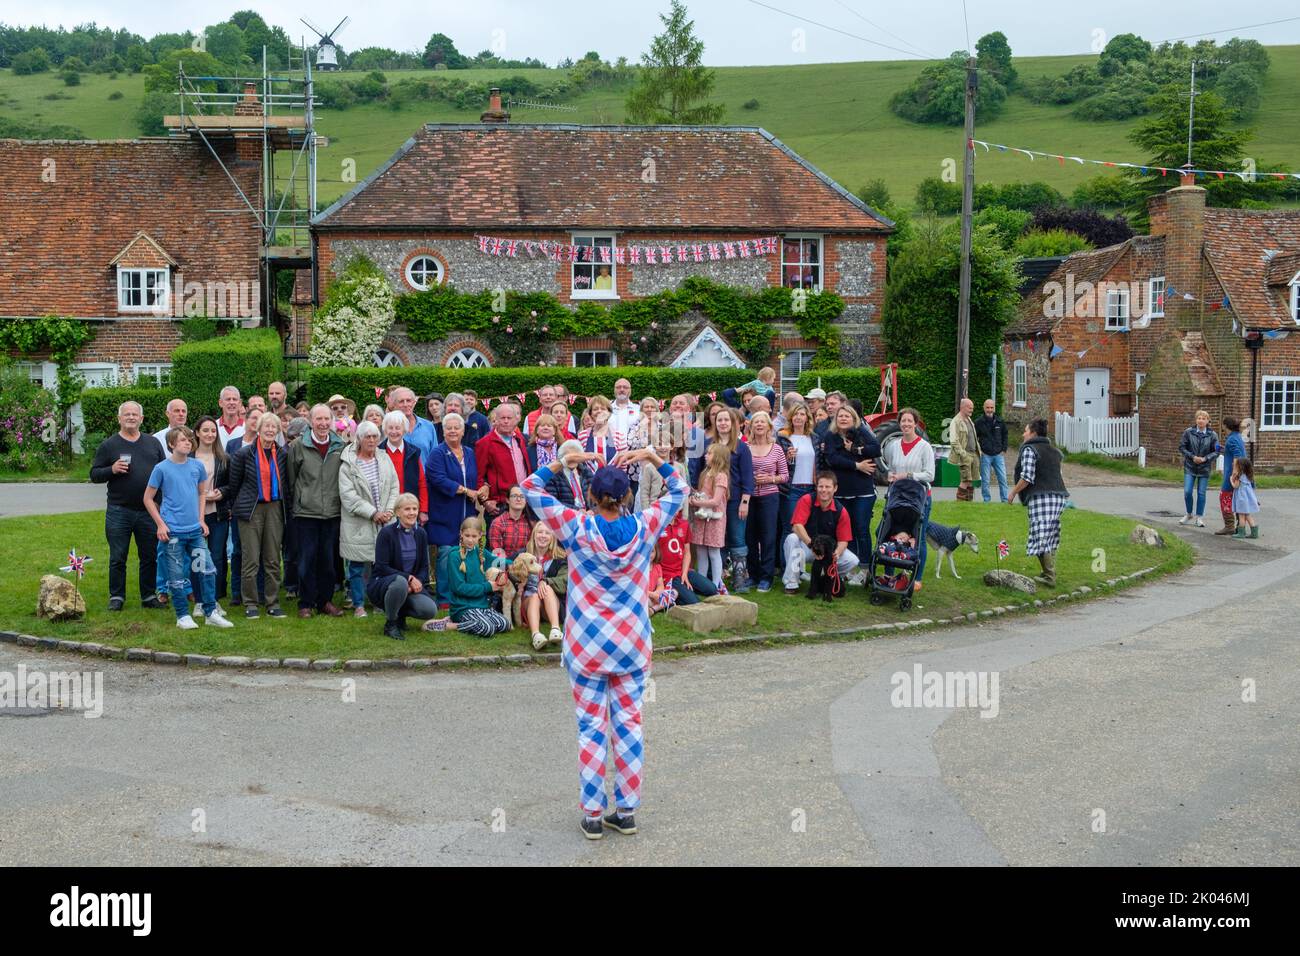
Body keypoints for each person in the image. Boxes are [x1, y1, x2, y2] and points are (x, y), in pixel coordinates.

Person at [523, 445, 686, 840]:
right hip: (631, 643)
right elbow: (680, 490)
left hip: (587, 647)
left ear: (592, 497)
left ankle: (593, 814)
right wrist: (650, 457)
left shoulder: (576, 527)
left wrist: (565, 462)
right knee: (629, 724)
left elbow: (530, 488)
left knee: (591, 728)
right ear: (627, 496)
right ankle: (626, 811)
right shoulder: (646, 524)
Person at [142, 426, 233, 630]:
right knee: (176, 578)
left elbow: (202, 494)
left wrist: (201, 519)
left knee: (207, 570)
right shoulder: (161, 469)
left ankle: (210, 612)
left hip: (194, 532)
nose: (188, 443)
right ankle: (182, 615)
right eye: (183, 440)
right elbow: (148, 498)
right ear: (172, 444)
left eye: (189, 440)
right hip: (173, 533)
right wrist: (160, 524)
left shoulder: (196, 467)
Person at [90, 401, 167, 611]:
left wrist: (159, 503)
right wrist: (112, 469)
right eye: (127, 415)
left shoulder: (152, 443)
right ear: (119, 419)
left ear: (141, 419)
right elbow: (94, 474)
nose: (131, 417)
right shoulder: (109, 445)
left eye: (135, 414)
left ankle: (149, 596)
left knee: (149, 555)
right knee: (118, 556)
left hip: (148, 511)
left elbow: (163, 474)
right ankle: (117, 596)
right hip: (119, 510)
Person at [221, 413, 290, 618]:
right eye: (266, 426)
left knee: (272, 559)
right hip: (251, 509)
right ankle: (250, 603)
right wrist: (237, 506)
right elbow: (234, 485)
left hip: (275, 508)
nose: (270, 430)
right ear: (258, 429)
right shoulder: (244, 454)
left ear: (278, 431)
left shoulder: (282, 455)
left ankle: (272, 602)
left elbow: (286, 484)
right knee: (250, 559)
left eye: (274, 427)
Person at [286, 404, 345, 618]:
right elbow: (292, 480)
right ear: (310, 421)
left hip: (331, 512)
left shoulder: (340, 445)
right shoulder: (298, 446)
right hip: (306, 513)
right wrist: (301, 500)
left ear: (331, 421)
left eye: (326, 419)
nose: (322, 423)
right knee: (306, 560)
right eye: (318, 419)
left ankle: (325, 601)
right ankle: (306, 602)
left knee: (328, 561)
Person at [369, 493, 451, 639]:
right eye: (407, 509)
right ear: (398, 512)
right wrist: (409, 578)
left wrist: (417, 581)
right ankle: (391, 624)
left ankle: (400, 615)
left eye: (415, 508)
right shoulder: (386, 533)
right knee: (400, 582)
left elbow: (425, 567)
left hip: (410, 586)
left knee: (430, 610)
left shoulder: (421, 533)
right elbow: (381, 567)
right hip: (384, 584)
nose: (412, 512)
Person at [339, 420, 399, 618]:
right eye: (367, 437)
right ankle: (358, 605)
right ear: (359, 439)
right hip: (359, 522)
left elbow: (394, 486)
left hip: (384, 522)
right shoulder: (348, 463)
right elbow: (348, 497)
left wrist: (389, 510)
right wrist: (373, 513)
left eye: (375, 436)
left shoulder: (383, 458)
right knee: (356, 567)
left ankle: (378, 601)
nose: (372, 440)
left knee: (380, 566)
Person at [424, 413, 484, 607]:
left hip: (467, 513)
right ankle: (444, 598)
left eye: (456, 428)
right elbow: (438, 479)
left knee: (467, 553)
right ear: (443, 431)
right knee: (446, 554)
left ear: (463, 430)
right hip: (444, 513)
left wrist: (483, 488)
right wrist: (466, 491)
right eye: (448, 428)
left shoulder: (469, 452)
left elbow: (478, 477)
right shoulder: (437, 453)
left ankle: (465, 593)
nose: (452, 431)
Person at [820, 404, 880, 583]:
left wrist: (855, 450)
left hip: (863, 491)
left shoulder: (862, 432)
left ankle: (865, 568)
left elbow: (876, 449)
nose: (843, 419)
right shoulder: (830, 436)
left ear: (854, 418)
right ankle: (849, 567)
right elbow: (832, 459)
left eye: (847, 416)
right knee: (846, 532)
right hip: (841, 492)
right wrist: (857, 465)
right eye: (840, 416)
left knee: (861, 529)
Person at [1008, 418, 1070, 587]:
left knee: (1040, 535)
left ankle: (1050, 576)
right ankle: (1047, 572)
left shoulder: (1030, 449)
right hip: (1058, 497)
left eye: (1026, 431)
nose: (1023, 434)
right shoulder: (1055, 451)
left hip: (1042, 496)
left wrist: (1013, 492)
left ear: (1033, 433)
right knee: (1047, 534)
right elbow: (1059, 475)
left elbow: (1027, 477)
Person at [880, 408, 934, 587]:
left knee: (918, 536)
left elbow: (930, 475)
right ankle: (889, 573)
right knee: (888, 532)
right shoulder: (893, 445)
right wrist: (891, 475)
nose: (906, 424)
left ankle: (917, 578)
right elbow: (890, 467)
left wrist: (908, 475)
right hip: (897, 497)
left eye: (910, 421)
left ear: (915, 423)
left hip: (919, 498)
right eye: (903, 421)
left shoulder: (924, 447)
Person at [782, 471, 860, 593]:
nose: (824, 490)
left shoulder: (841, 511)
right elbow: (797, 526)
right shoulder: (807, 500)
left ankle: (826, 577)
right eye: (821, 486)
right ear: (816, 487)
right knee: (792, 538)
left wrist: (837, 554)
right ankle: (792, 582)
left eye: (828, 487)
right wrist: (811, 545)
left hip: (828, 551)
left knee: (853, 560)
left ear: (835, 488)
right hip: (807, 546)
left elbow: (844, 541)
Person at [441, 516, 511, 637]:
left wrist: (517, 563)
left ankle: (470, 622)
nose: (470, 540)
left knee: (505, 624)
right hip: (463, 608)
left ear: (480, 536)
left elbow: (498, 561)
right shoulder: (454, 556)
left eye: (474, 536)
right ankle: (452, 625)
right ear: (461, 534)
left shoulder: (481, 552)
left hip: (482, 606)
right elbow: (459, 588)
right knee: (487, 628)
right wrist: (487, 587)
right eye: (467, 535)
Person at [744, 411, 789, 592]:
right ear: (752, 426)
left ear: (769, 426)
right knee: (750, 537)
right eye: (756, 422)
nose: (759, 425)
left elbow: (785, 476)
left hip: (770, 496)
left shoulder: (777, 448)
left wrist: (770, 479)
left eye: (763, 422)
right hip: (749, 497)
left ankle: (766, 576)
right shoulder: (745, 448)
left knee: (768, 536)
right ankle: (753, 574)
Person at [192, 415, 232, 606]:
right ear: (197, 433)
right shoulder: (188, 458)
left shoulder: (224, 458)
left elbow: (231, 486)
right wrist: (200, 496)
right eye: (205, 430)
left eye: (213, 430)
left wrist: (221, 493)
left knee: (217, 555)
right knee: (197, 556)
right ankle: (199, 599)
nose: (210, 434)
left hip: (218, 513)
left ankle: (214, 598)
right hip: (194, 514)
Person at [714, 406, 754, 593]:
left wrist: (745, 501)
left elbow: (748, 477)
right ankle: (716, 578)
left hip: (735, 499)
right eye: (719, 420)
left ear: (733, 424)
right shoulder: (709, 443)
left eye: (726, 420)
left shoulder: (741, 447)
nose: (722, 423)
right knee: (717, 538)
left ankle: (739, 579)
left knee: (737, 537)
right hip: (714, 500)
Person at [477, 402, 530, 524]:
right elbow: (478, 475)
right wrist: (485, 501)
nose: (506, 421)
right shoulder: (485, 443)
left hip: (522, 500)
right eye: (502, 418)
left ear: (516, 420)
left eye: (509, 418)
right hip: (499, 505)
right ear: (496, 420)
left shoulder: (520, 439)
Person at [779, 402, 817, 563]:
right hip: (791, 488)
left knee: (804, 529)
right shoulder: (783, 438)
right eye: (795, 414)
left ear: (807, 418)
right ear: (790, 417)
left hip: (810, 488)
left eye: (802, 414)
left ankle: (799, 568)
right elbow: (778, 463)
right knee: (790, 529)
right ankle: (786, 567)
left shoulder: (814, 438)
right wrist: (787, 458)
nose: (798, 417)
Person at [690, 443, 731, 593]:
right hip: (702, 517)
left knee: (714, 552)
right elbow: (704, 494)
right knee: (700, 550)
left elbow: (715, 501)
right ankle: (702, 584)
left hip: (715, 519)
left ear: (718, 458)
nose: (706, 456)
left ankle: (716, 584)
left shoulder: (721, 476)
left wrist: (696, 502)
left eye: (710, 453)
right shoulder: (704, 474)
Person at [657, 503, 716, 606]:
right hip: (667, 575)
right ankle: (674, 594)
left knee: (712, 589)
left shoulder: (684, 524)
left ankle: (684, 590)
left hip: (683, 570)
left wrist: (684, 573)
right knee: (694, 602)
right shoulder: (657, 526)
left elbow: (687, 552)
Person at [520, 521, 566, 650]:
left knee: (547, 587)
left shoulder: (560, 557)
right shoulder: (523, 555)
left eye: (547, 533)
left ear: (552, 537)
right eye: (540, 532)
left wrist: (545, 581)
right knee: (534, 596)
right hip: (529, 602)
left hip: (551, 604)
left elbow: (564, 580)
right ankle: (536, 635)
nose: (543, 536)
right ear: (534, 535)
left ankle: (555, 630)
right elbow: (510, 570)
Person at [379, 411, 429, 525]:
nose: (394, 432)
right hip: (385, 511)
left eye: (398, 428)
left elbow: (421, 482)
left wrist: (423, 510)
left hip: (409, 509)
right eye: (390, 428)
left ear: (404, 430)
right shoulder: (378, 452)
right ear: (385, 430)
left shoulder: (413, 452)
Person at [1179, 410, 1219, 527]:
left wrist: (1205, 458)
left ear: (1207, 421)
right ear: (1196, 420)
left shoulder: (1212, 435)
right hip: (1190, 466)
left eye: (1203, 418)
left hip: (1204, 468)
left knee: (1201, 493)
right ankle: (1189, 513)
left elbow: (1216, 451)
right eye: (1199, 418)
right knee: (1187, 491)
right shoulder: (1188, 432)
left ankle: (1199, 517)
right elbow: (1182, 447)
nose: (1200, 420)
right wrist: (1192, 457)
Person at [577, 396, 626, 471]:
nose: (599, 411)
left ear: (609, 413)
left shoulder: (619, 436)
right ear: (590, 413)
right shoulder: (582, 436)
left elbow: (623, 466)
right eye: (595, 409)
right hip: (589, 481)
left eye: (603, 409)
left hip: (613, 481)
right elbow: (580, 462)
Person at [976, 399, 1010, 504]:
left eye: (991, 407)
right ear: (984, 408)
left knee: (1003, 479)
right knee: (985, 481)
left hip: (998, 455)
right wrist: (979, 451)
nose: (989, 410)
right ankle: (987, 501)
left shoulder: (1000, 421)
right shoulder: (978, 422)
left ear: (994, 408)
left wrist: (1004, 449)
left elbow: (1005, 435)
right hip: (985, 455)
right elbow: (974, 438)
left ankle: (1005, 500)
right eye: (987, 407)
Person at [1217, 417, 1247, 536]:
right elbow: (1235, 451)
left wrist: (1234, 473)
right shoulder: (1236, 436)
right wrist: (1223, 449)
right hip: (1241, 472)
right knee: (1239, 499)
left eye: (1222, 425)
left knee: (1224, 497)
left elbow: (1237, 455)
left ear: (1225, 426)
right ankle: (1241, 527)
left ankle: (1229, 526)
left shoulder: (1232, 439)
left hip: (1233, 473)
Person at [391, 387, 437, 460]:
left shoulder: (428, 426)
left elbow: (435, 457)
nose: (405, 404)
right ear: (394, 404)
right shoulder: (389, 428)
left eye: (408, 400)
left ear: (414, 402)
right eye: (401, 401)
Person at [947, 398, 979, 502]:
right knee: (965, 480)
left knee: (971, 481)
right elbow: (954, 441)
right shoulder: (955, 421)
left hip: (974, 454)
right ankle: (960, 503)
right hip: (965, 455)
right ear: (962, 407)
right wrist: (963, 454)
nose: (971, 410)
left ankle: (969, 504)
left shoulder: (969, 419)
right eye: (969, 408)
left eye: (972, 408)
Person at [488, 485, 533, 559]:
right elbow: (497, 554)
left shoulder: (529, 524)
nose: (518, 499)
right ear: (507, 500)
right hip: (502, 565)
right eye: (514, 496)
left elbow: (531, 551)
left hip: (524, 566)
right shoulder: (498, 523)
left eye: (522, 496)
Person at [1230, 457, 1260, 539]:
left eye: (1236, 465)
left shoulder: (1239, 476)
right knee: (1247, 515)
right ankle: (1254, 533)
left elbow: (1235, 486)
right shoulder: (1248, 477)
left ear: (1240, 467)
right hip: (1246, 499)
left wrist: (1231, 480)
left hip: (1241, 499)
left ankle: (1241, 533)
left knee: (1241, 516)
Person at [609, 378, 641, 444]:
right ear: (614, 390)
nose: (622, 389)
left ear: (630, 390)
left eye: (625, 387)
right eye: (618, 387)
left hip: (632, 451)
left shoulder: (639, 410)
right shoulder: (606, 409)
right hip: (610, 449)